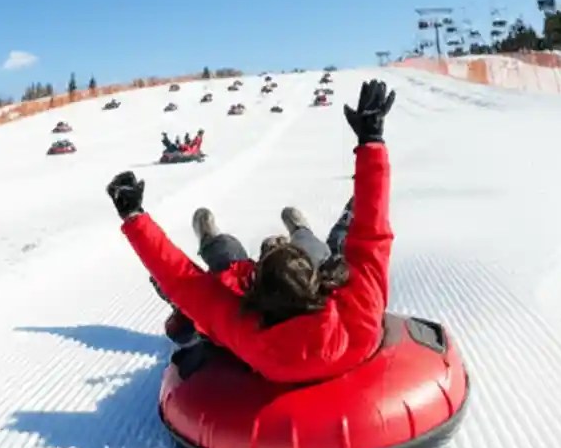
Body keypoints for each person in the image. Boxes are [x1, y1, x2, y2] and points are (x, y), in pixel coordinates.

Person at [106, 79, 395, 384]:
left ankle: (213, 237)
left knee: (228, 262)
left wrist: (134, 216)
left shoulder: (250, 334)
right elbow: (372, 234)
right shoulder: (362, 311)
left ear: (257, 295)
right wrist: (372, 139)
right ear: (317, 286)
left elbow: (183, 280)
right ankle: (298, 231)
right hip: (316, 290)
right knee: (321, 252)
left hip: (248, 293)